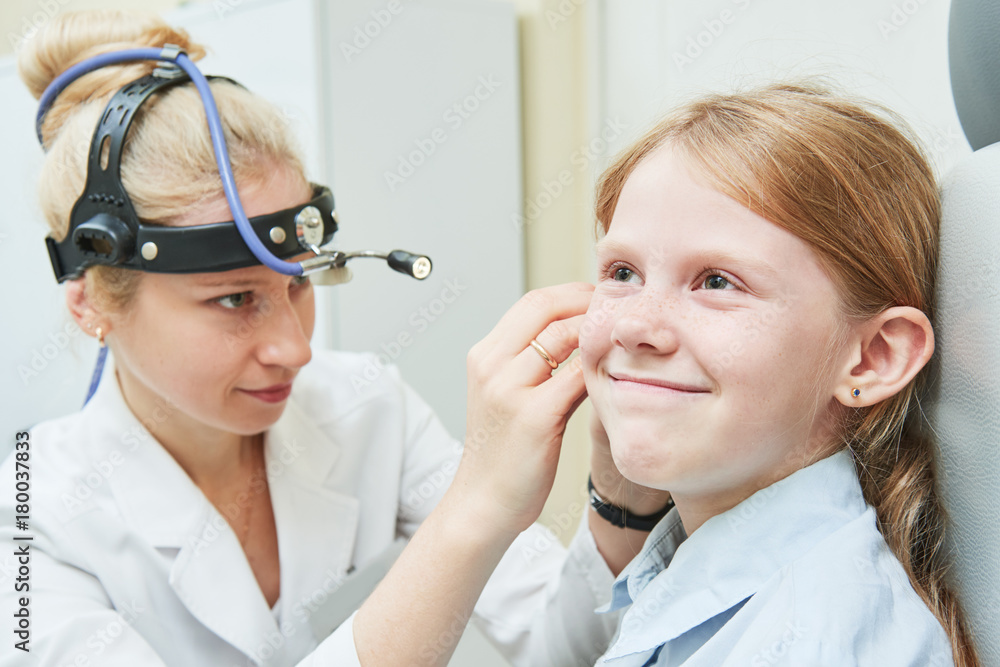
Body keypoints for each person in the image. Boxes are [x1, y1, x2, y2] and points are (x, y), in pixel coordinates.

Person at [0, 10, 673, 667]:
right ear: (91, 302)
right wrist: (476, 509)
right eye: (234, 299)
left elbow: (562, 645)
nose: (292, 349)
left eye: (299, 284)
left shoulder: (366, 404)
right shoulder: (29, 520)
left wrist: (622, 499)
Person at [577, 83, 980, 666]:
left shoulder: (812, 644)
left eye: (716, 282)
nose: (635, 326)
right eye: (622, 271)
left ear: (872, 358)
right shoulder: (699, 578)